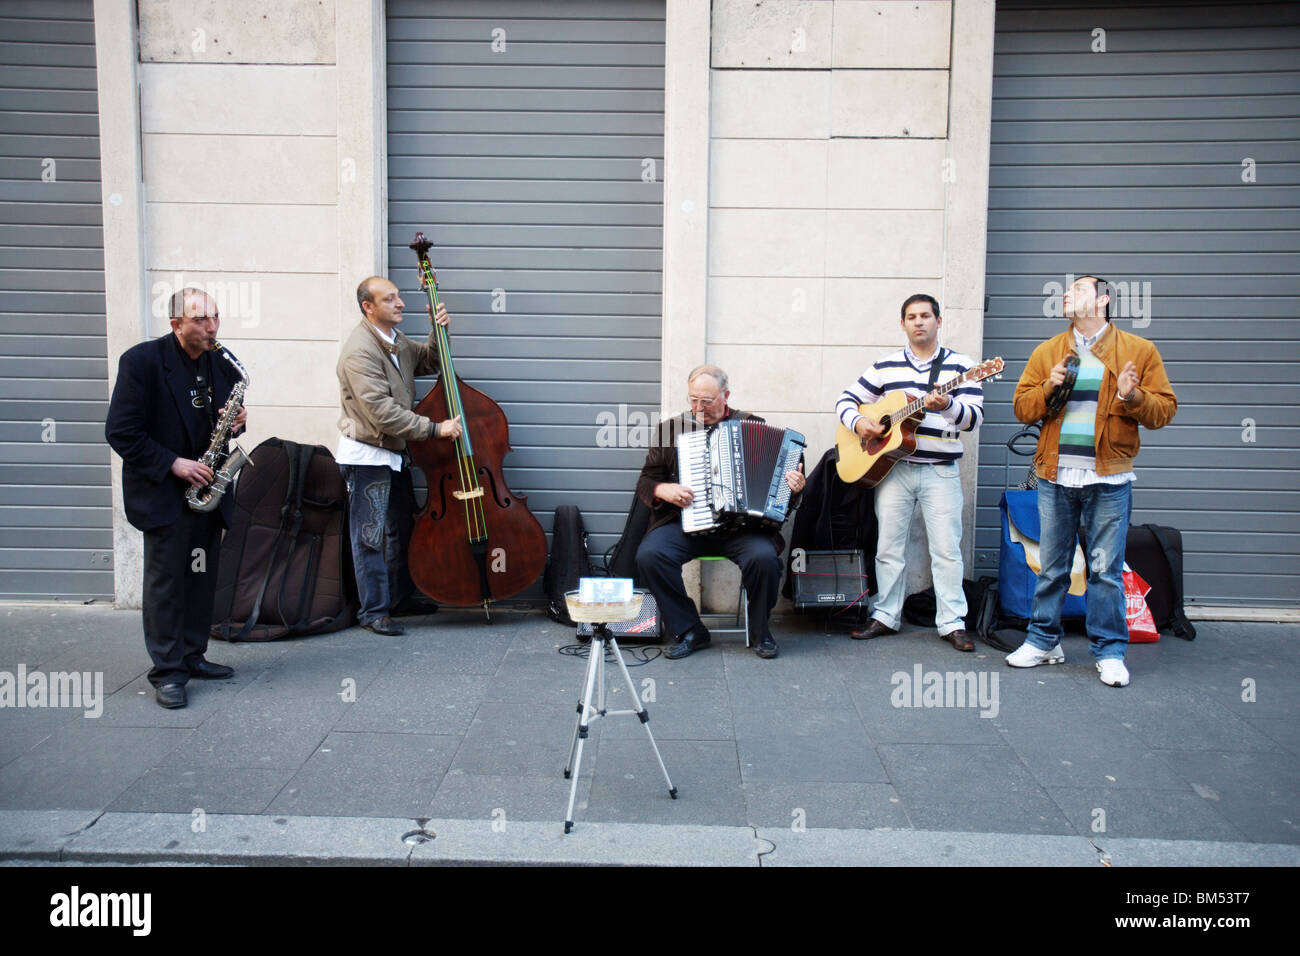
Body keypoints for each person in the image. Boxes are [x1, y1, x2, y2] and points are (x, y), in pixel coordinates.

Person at [1006, 275, 1176, 687]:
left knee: (1105, 570)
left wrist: (1132, 395)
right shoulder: (1049, 351)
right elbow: (1021, 409)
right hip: (1055, 474)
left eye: (1077, 289)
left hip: (1110, 476)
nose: (1067, 295)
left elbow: (1163, 411)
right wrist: (1050, 385)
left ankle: (1111, 651)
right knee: (1052, 567)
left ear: (1102, 300)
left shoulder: (1137, 350)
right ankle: (1043, 640)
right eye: (1066, 290)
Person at [105, 288, 244, 709]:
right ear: (176, 324)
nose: (212, 327)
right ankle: (167, 672)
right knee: (166, 585)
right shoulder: (142, 363)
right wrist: (173, 464)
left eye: (215, 317)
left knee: (200, 578)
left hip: (208, 490)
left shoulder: (222, 361)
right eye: (201, 320)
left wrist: (236, 423)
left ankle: (192, 654)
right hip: (166, 494)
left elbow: (226, 423)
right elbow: (121, 431)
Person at [835, 294, 985, 651]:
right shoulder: (885, 366)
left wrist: (948, 404)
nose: (919, 322)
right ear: (902, 323)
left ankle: (951, 622)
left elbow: (974, 418)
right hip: (894, 470)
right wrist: (859, 423)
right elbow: (844, 399)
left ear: (938, 321)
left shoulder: (963, 366)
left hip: (940, 470)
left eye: (926, 316)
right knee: (888, 546)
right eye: (912, 317)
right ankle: (885, 615)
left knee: (947, 550)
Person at [634, 365, 805, 660]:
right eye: (693, 400)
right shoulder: (671, 429)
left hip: (742, 528)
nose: (699, 409)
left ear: (725, 395)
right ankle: (690, 629)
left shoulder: (751, 424)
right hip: (685, 524)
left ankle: (760, 632)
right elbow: (647, 480)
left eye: (707, 401)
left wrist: (795, 487)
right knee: (650, 555)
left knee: (764, 559)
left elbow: (780, 492)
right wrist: (664, 491)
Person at [336, 276, 462, 636]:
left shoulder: (395, 342)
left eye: (399, 297)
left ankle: (400, 598)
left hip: (392, 453)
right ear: (368, 307)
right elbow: (381, 411)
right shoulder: (360, 351)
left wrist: (439, 331)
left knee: (401, 528)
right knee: (371, 535)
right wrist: (435, 429)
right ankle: (374, 611)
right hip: (367, 457)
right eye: (389, 299)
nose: (400, 303)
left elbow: (434, 361)